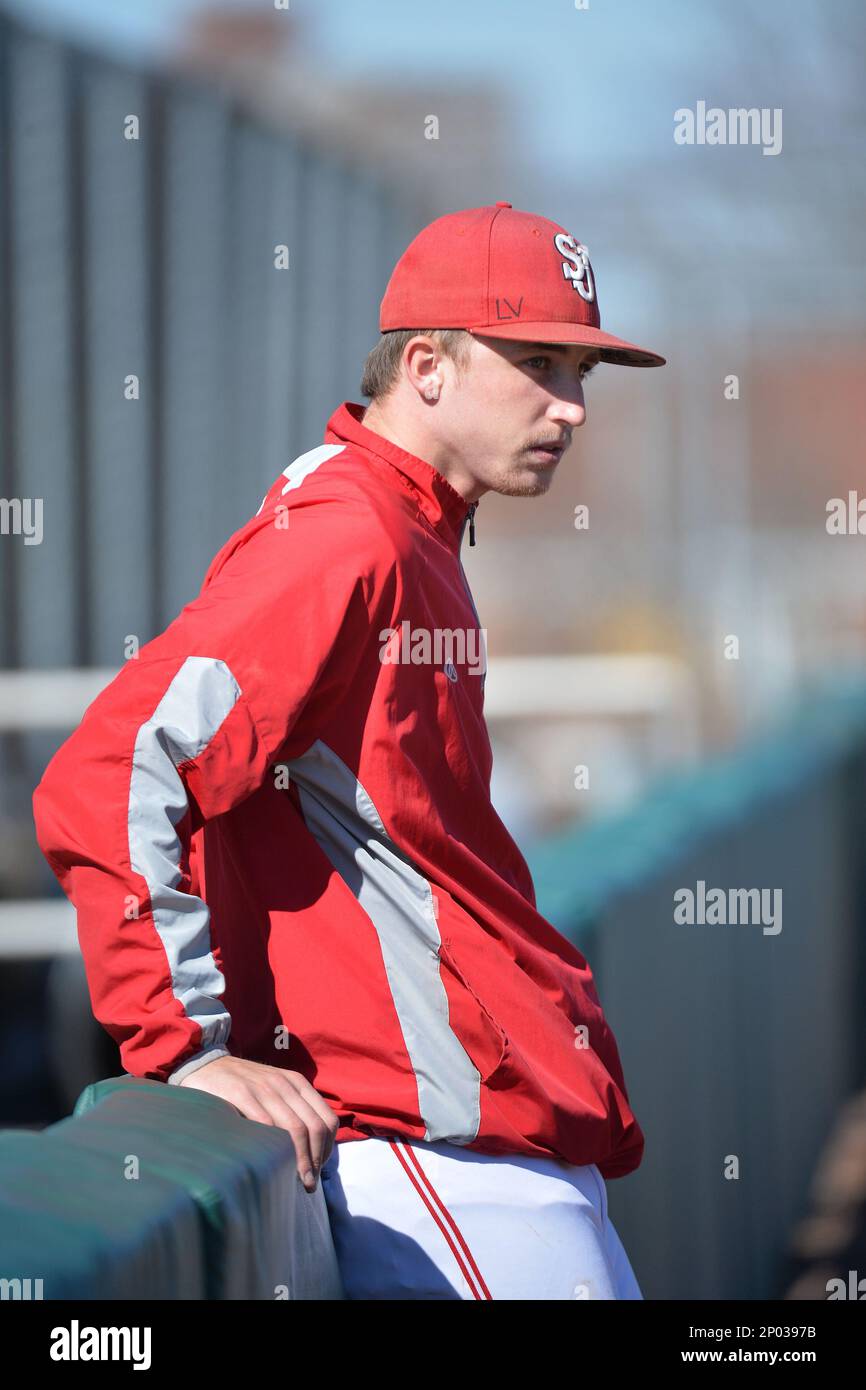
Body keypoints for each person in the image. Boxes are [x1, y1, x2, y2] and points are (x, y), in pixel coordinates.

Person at [32, 201, 665, 1300]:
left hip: (473, 1139)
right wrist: (185, 1047)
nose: (568, 406)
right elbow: (111, 767)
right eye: (535, 364)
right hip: (423, 1154)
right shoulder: (348, 533)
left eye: (579, 372)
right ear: (426, 364)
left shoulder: (408, 521)